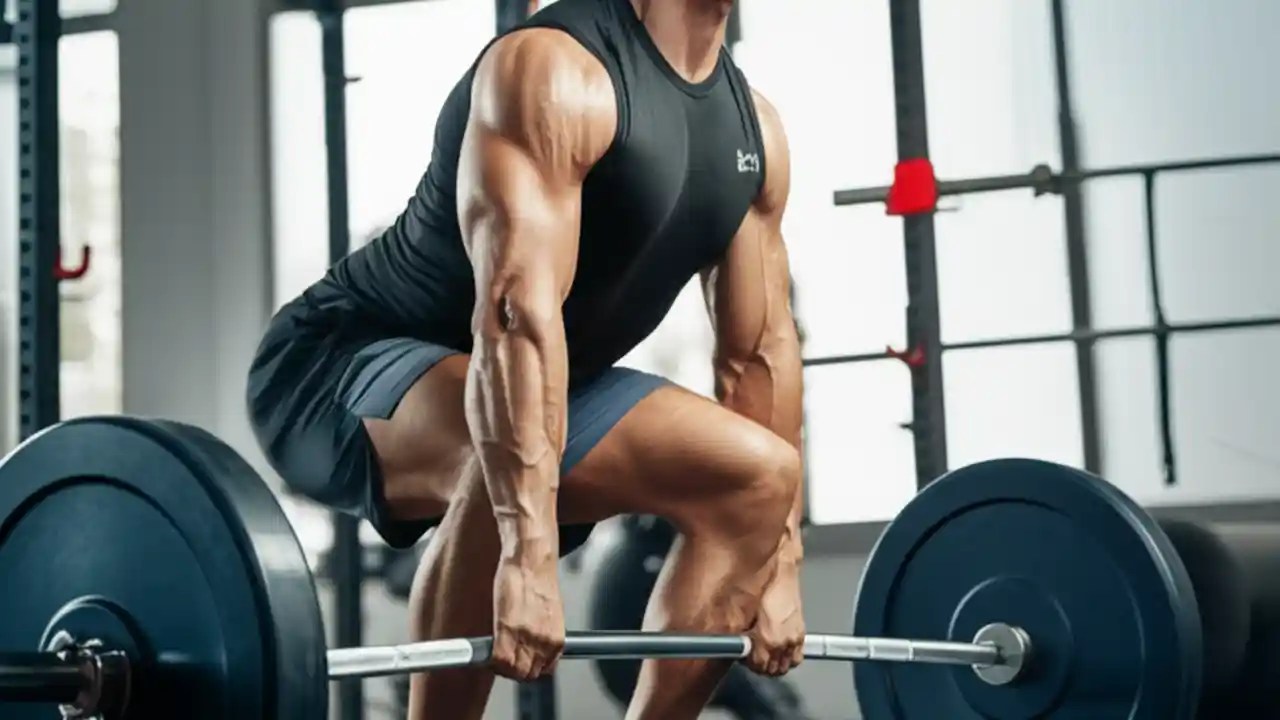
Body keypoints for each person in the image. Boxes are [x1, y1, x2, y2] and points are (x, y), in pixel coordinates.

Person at [246, 0, 806, 717]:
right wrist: (526, 552)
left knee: (760, 480)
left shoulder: (753, 130)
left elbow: (759, 354)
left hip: (551, 389)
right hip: (335, 366)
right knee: (496, 439)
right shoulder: (554, 71)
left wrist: (775, 561)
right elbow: (516, 317)